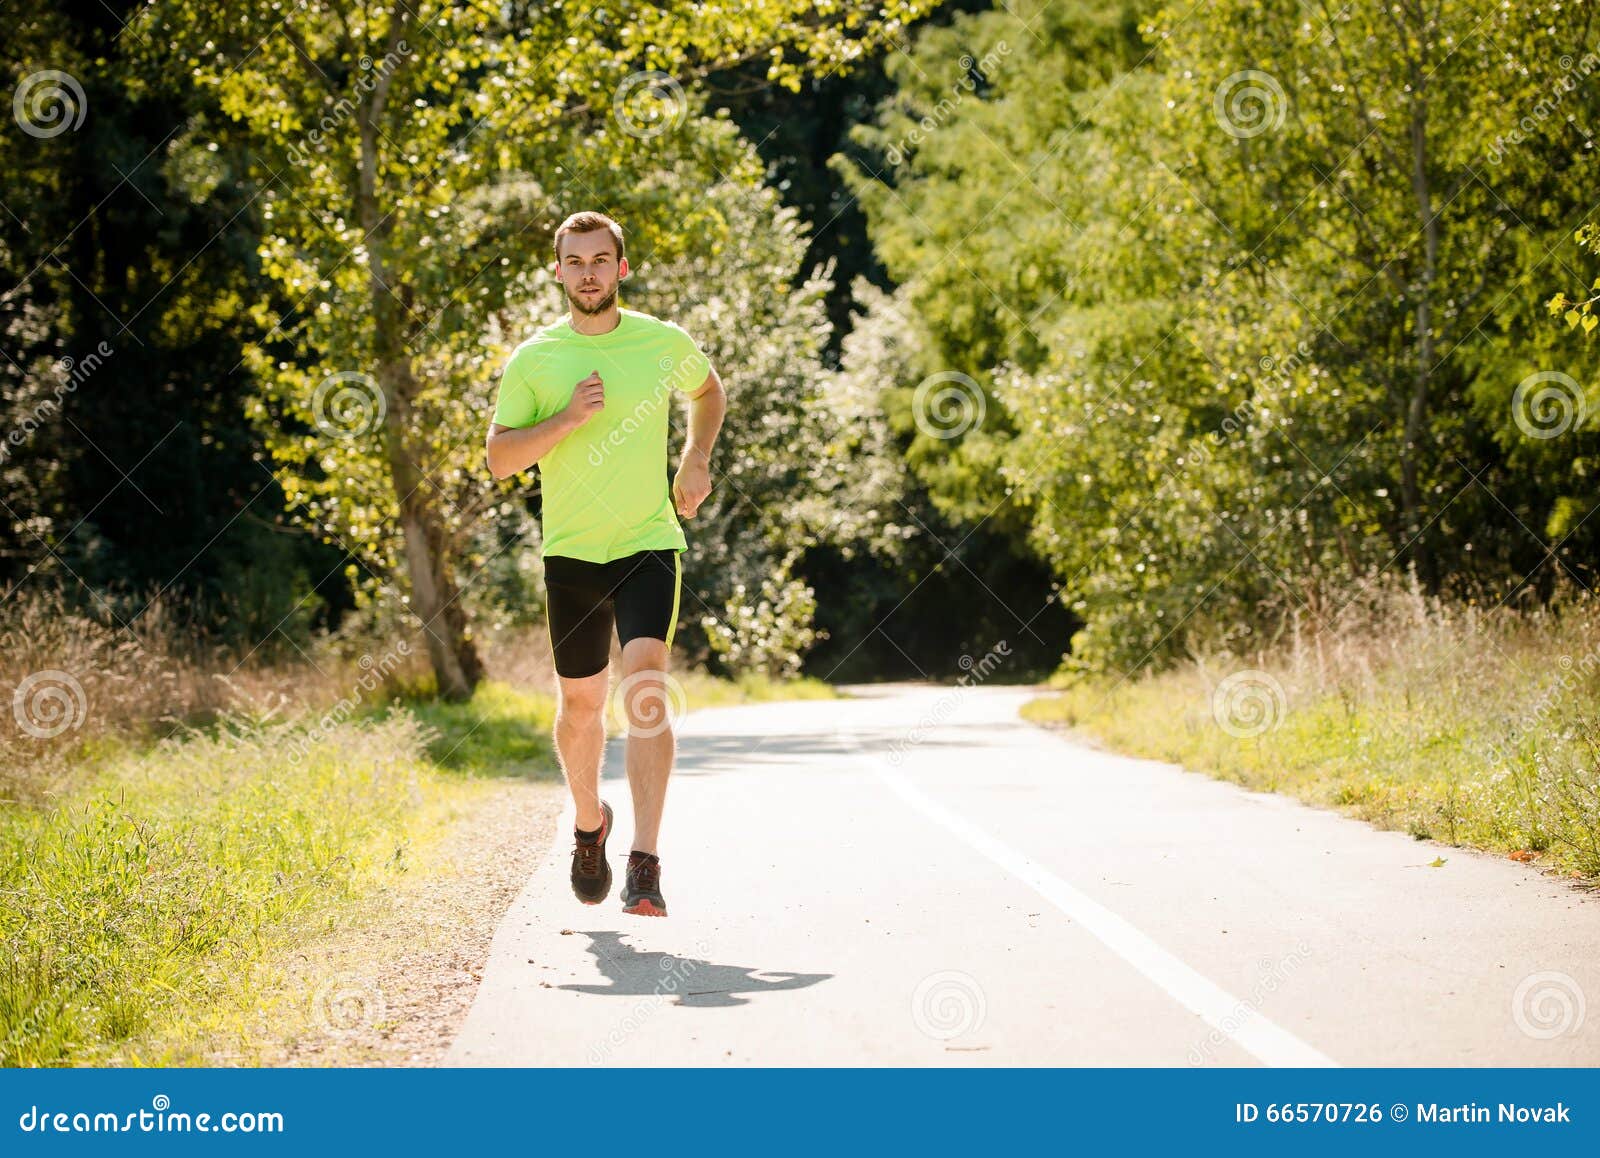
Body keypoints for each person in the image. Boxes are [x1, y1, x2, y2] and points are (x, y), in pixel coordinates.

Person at [485, 210, 726, 917]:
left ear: (621, 268)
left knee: (645, 687)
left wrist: (696, 454)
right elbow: (500, 460)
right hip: (572, 552)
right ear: (558, 271)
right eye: (574, 261)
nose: (587, 272)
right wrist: (565, 420)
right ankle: (590, 825)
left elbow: (708, 392)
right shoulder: (537, 358)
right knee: (582, 706)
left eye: (599, 260)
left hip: (650, 541)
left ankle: (644, 861)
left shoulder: (661, 341)